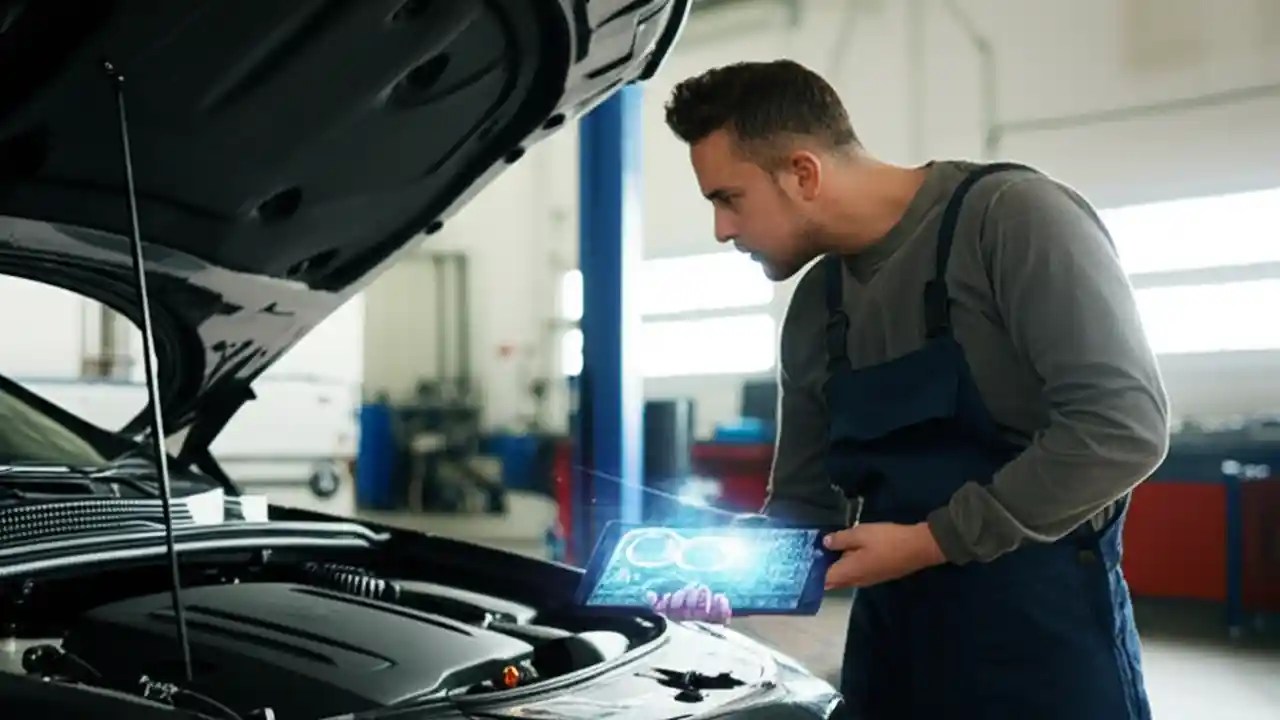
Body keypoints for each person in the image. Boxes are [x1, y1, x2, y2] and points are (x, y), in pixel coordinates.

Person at [648, 59, 1169, 719]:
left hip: (1042, 647)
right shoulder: (815, 308)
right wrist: (727, 575)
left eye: (728, 199)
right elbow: (806, 509)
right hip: (892, 651)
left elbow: (1121, 429)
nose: (722, 229)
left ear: (803, 173)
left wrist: (929, 541)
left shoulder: (1010, 219)